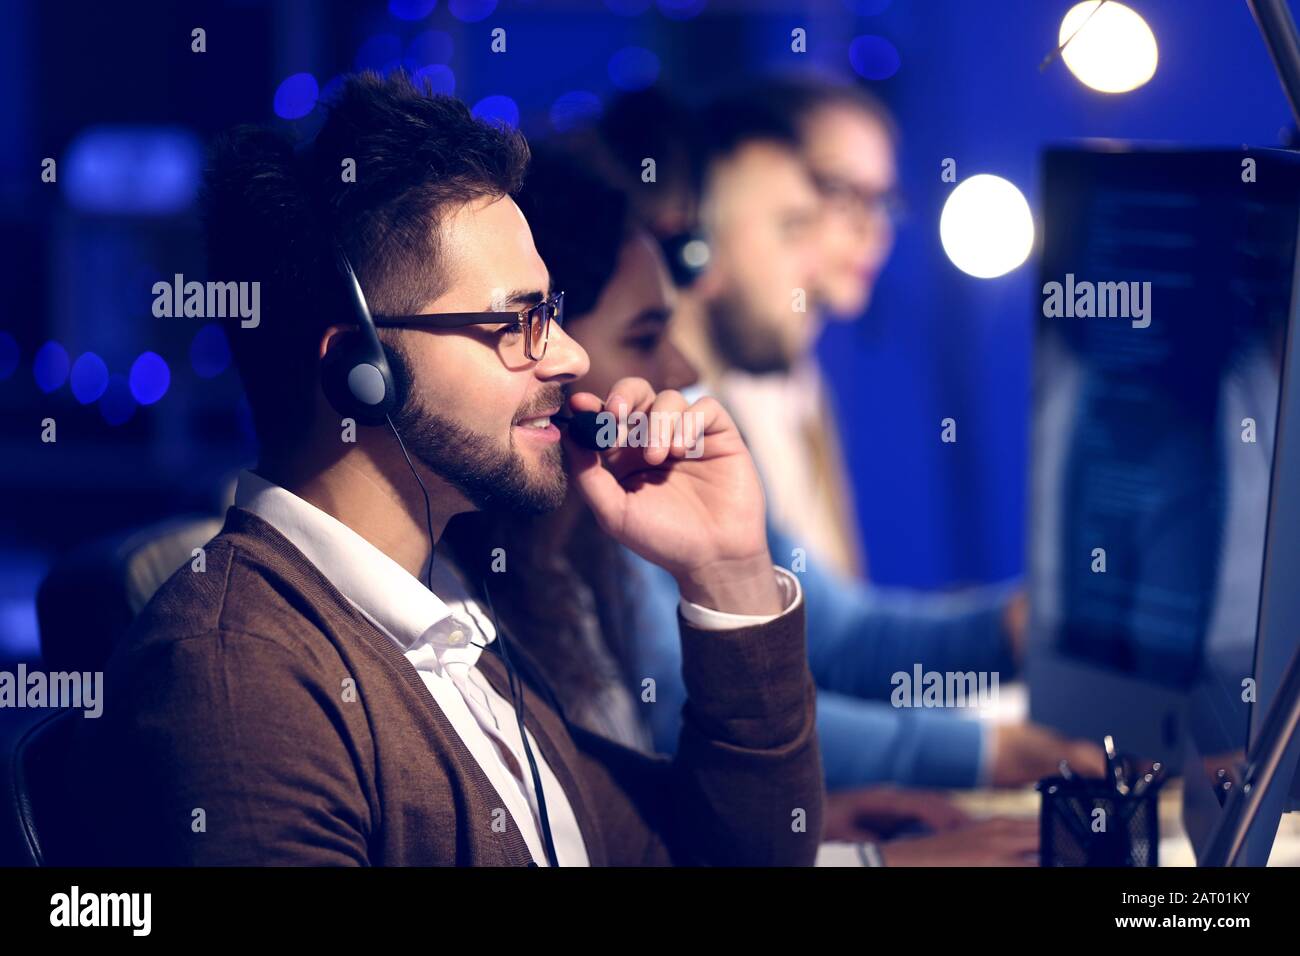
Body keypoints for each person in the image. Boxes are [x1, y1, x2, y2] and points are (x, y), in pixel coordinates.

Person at [63, 71, 822, 867]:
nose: (569, 355)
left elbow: (720, 857)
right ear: (362, 368)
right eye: (517, 322)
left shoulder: (449, 613)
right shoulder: (238, 686)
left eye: (552, 312)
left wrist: (728, 573)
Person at [447, 145, 1038, 865]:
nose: (834, 249)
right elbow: (671, 734)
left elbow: (668, 836)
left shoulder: (582, 550)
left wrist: (825, 840)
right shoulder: (463, 602)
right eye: (795, 224)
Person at [633, 82, 1106, 788]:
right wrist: (991, 753)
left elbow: (838, 636)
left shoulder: (707, 412)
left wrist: (1026, 627)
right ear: (694, 250)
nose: (827, 252)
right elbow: (677, 708)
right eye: (797, 225)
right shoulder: (643, 433)